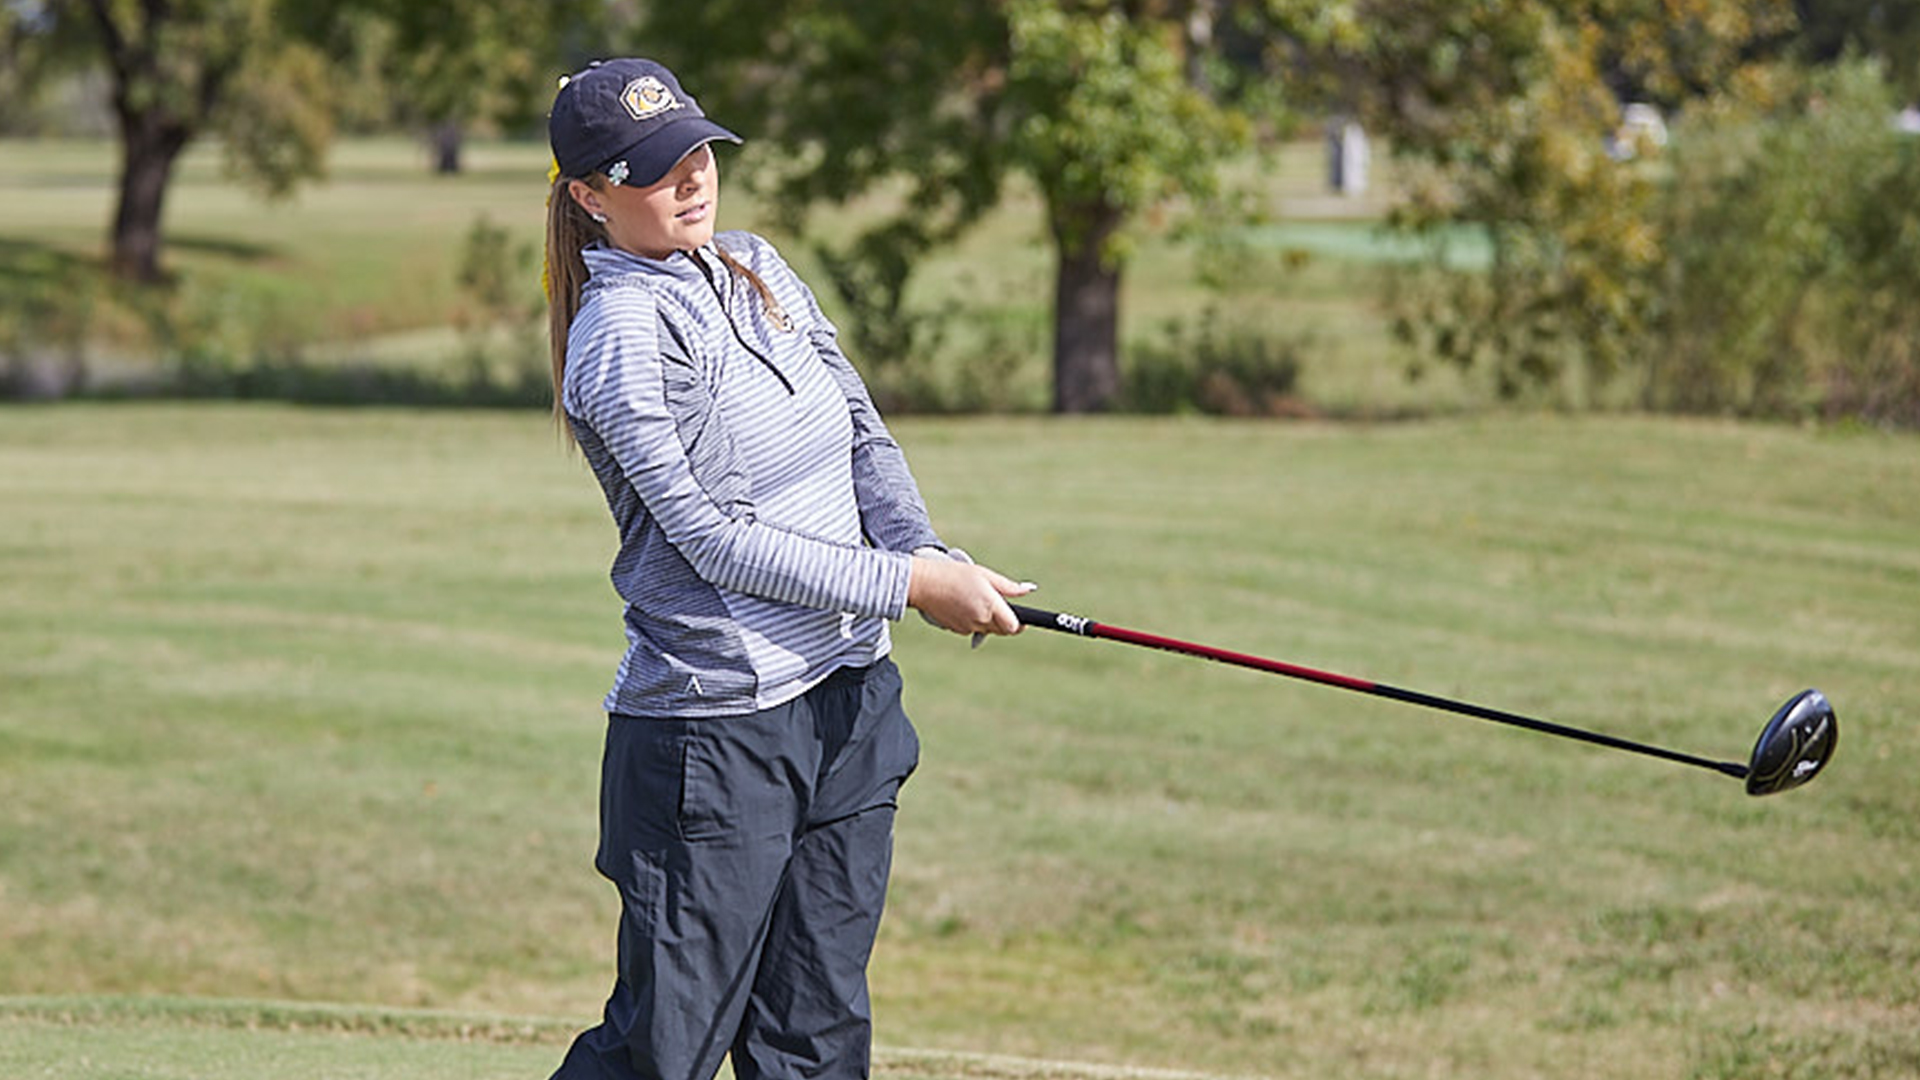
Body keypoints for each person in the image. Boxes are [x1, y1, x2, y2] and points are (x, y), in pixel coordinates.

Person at [541, 58, 1032, 1080]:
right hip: (715, 738)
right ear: (590, 197)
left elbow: (860, 432)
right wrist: (909, 587)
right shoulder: (621, 334)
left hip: (848, 704)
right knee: (664, 1050)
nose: (691, 179)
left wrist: (924, 552)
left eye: (697, 153)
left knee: (814, 1042)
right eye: (652, 170)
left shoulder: (758, 264)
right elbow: (713, 538)